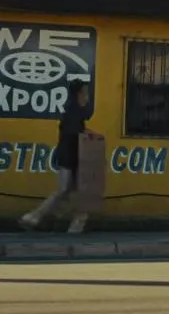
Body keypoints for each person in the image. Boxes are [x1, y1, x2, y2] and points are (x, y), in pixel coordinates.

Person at [20, 80, 100, 233]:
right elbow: (73, 133)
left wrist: (87, 133)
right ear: (79, 94)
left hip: (71, 156)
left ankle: (47, 219)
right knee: (67, 190)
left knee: (73, 191)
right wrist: (87, 135)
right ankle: (36, 217)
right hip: (70, 156)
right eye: (85, 93)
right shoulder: (74, 111)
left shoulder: (74, 111)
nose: (87, 97)